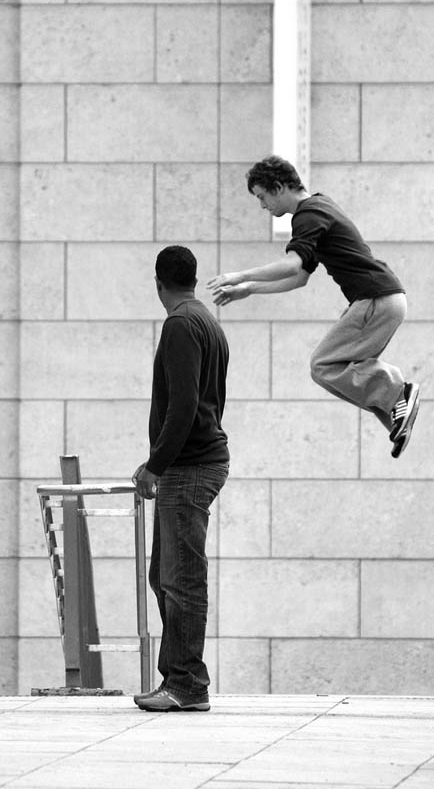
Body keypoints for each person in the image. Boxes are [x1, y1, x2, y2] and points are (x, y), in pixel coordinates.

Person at [207, 155, 420, 458]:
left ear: (278, 187)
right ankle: (396, 417)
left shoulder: (307, 214)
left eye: (262, 197)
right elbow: (299, 278)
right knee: (341, 372)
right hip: (386, 299)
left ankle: (400, 392)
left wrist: (240, 274)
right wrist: (250, 289)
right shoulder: (321, 207)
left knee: (323, 364)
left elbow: (290, 264)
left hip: (375, 299)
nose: (262, 206)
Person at [131, 245, 229, 712]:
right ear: (192, 278)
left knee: (181, 579)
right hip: (194, 464)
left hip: (189, 467)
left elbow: (184, 406)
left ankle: (188, 684)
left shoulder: (180, 325)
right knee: (164, 575)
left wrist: (155, 464)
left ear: (158, 283)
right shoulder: (207, 321)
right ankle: (177, 677)